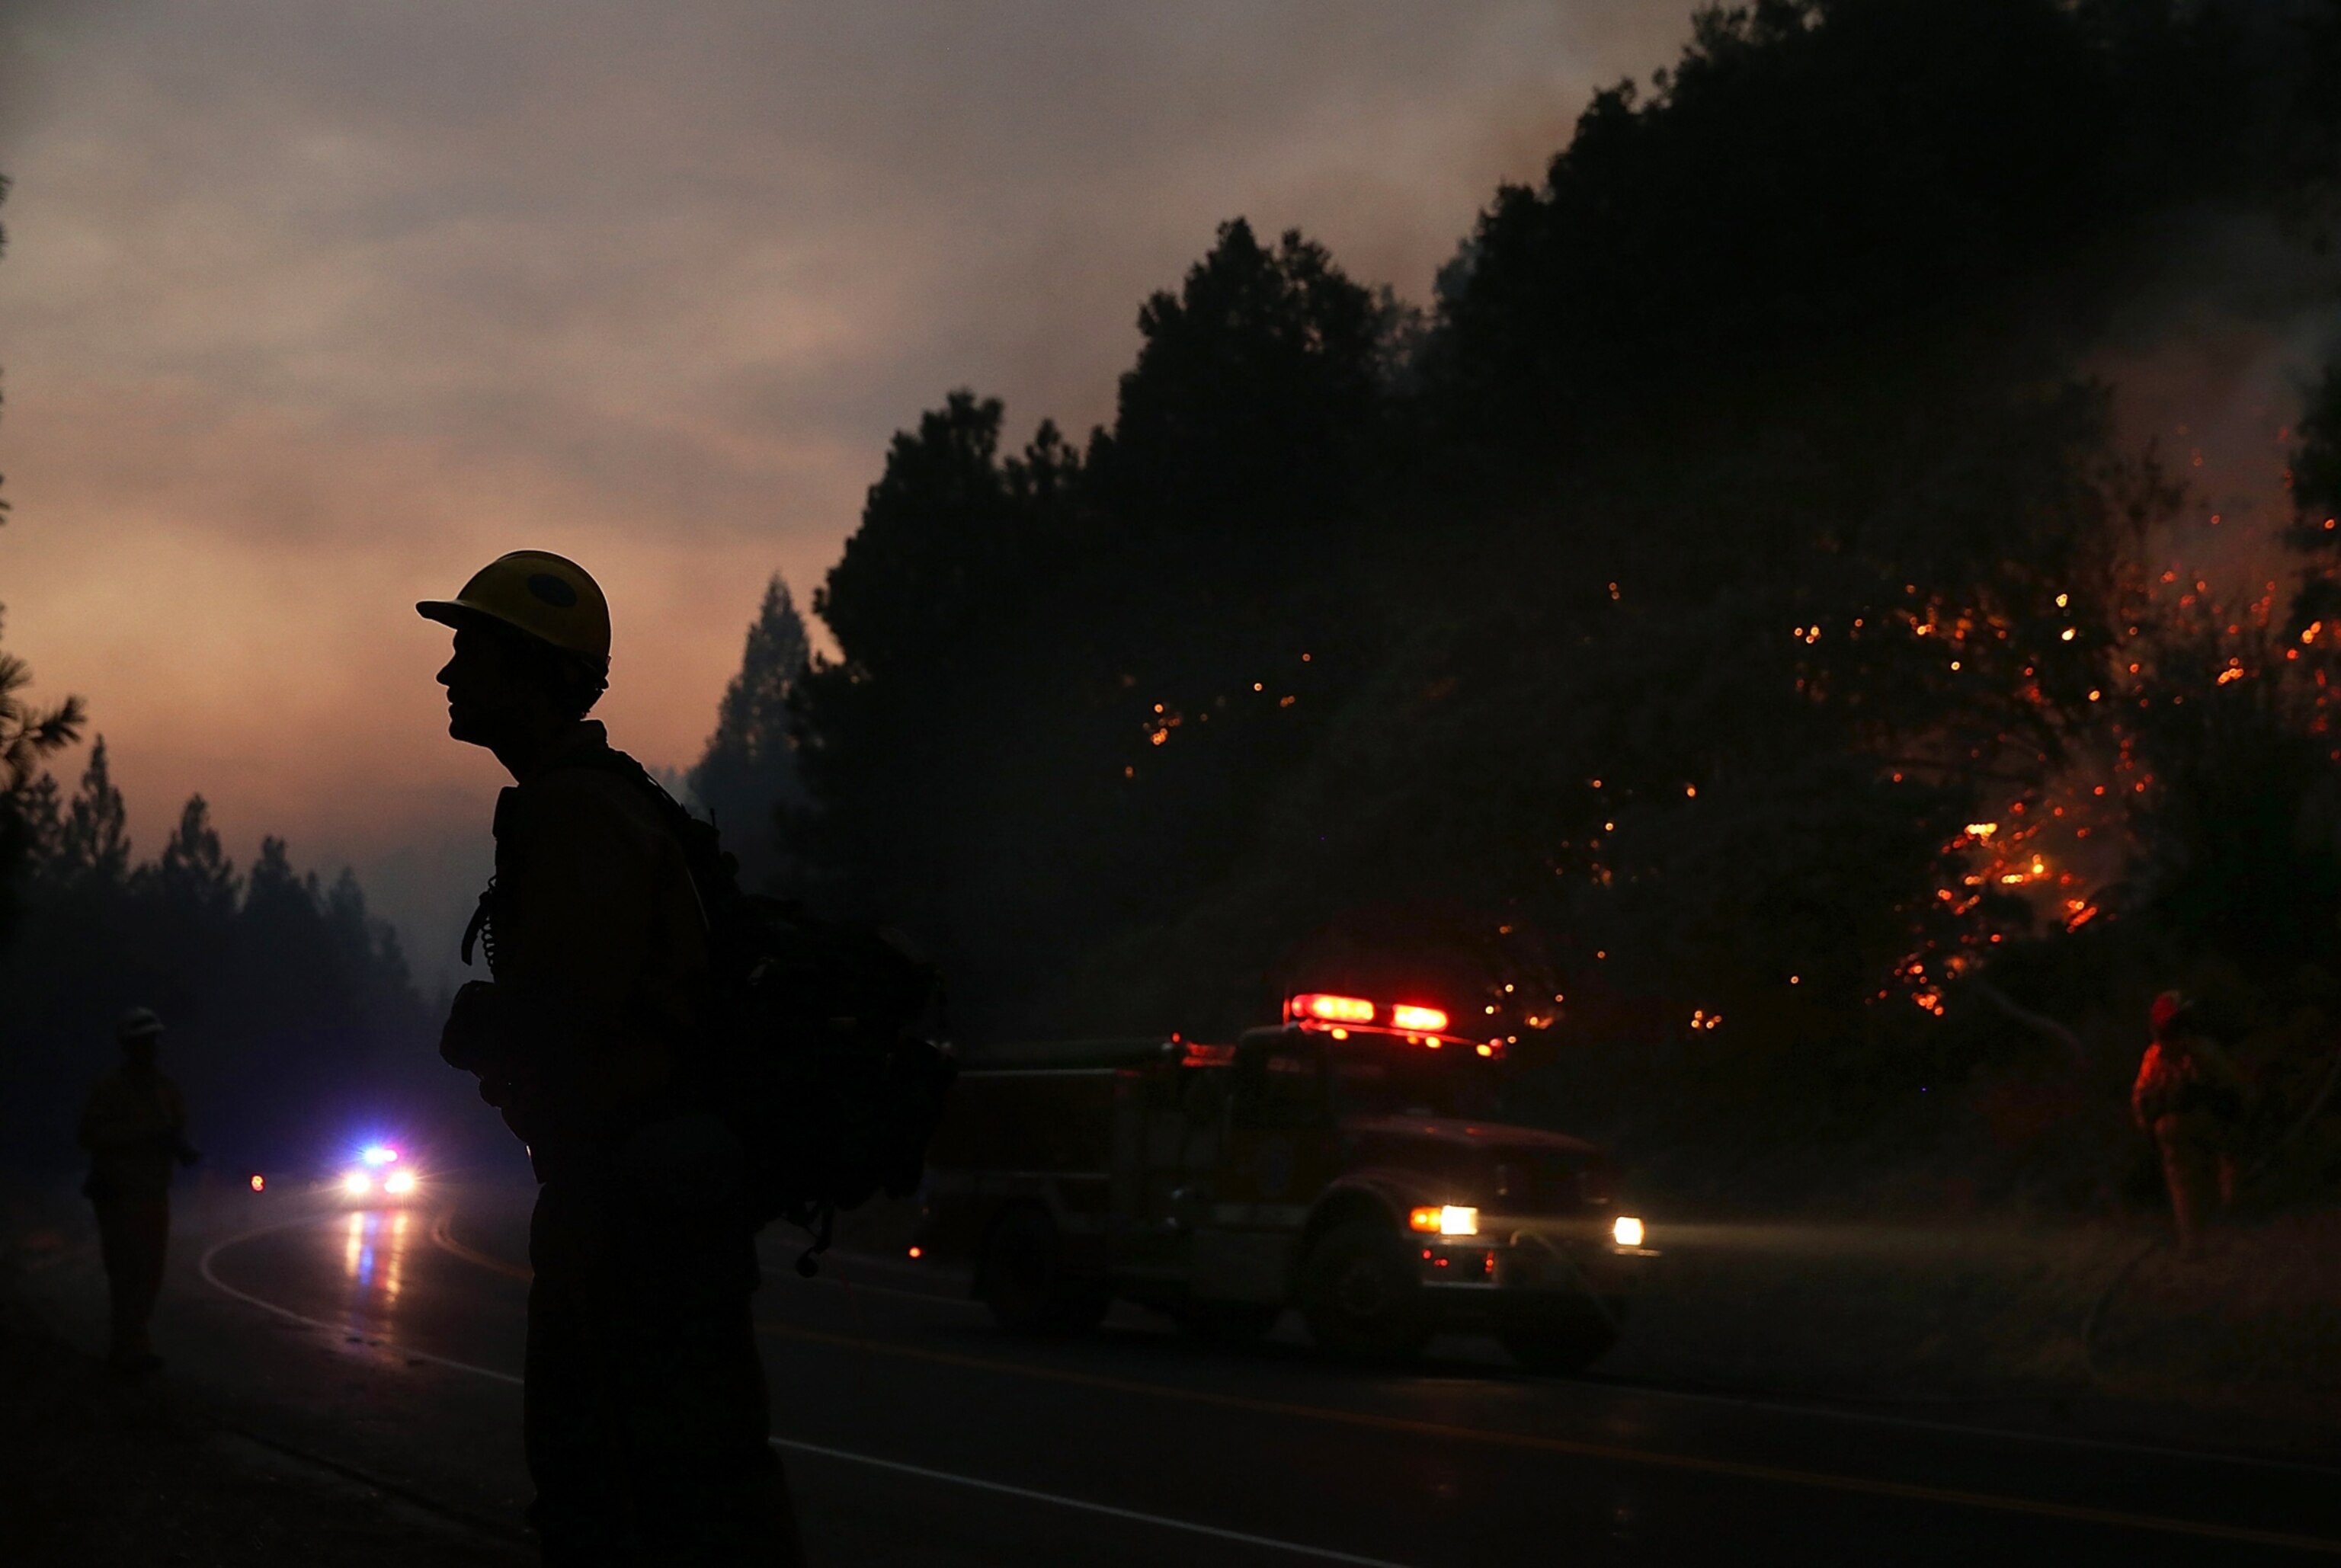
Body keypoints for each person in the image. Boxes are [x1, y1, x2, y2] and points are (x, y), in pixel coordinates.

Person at [421, 550, 803, 1566]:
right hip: (659, 1187)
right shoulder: (597, 800)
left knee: (622, 1493)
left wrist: (479, 1023)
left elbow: (573, 1009)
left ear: (533, 671)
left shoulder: (575, 810)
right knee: (693, 1486)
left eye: (470, 651)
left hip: (634, 1201)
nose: (449, 675)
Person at [78, 1006, 197, 1373]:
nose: (150, 1047)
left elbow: (177, 1127)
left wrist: (176, 1146)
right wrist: (142, 1136)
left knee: (149, 1273)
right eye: (143, 1041)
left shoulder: (164, 1088)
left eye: (152, 1040)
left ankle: (135, 1345)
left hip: (152, 1192)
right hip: (120, 1194)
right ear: (129, 1045)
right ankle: (125, 1350)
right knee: (126, 1272)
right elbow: (91, 1136)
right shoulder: (111, 1089)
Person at [2131, 990, 2245, 1256]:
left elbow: (2139, 1096)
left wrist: (2146, 1127)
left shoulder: (2153, 1055)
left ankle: (2193, 1241)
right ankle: (2229, 1221)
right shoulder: (2202, 1048)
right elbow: (2231, 1084)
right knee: (2227, 1158)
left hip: (2169, 1127)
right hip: (2203, 1121)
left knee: (2182, 1182)